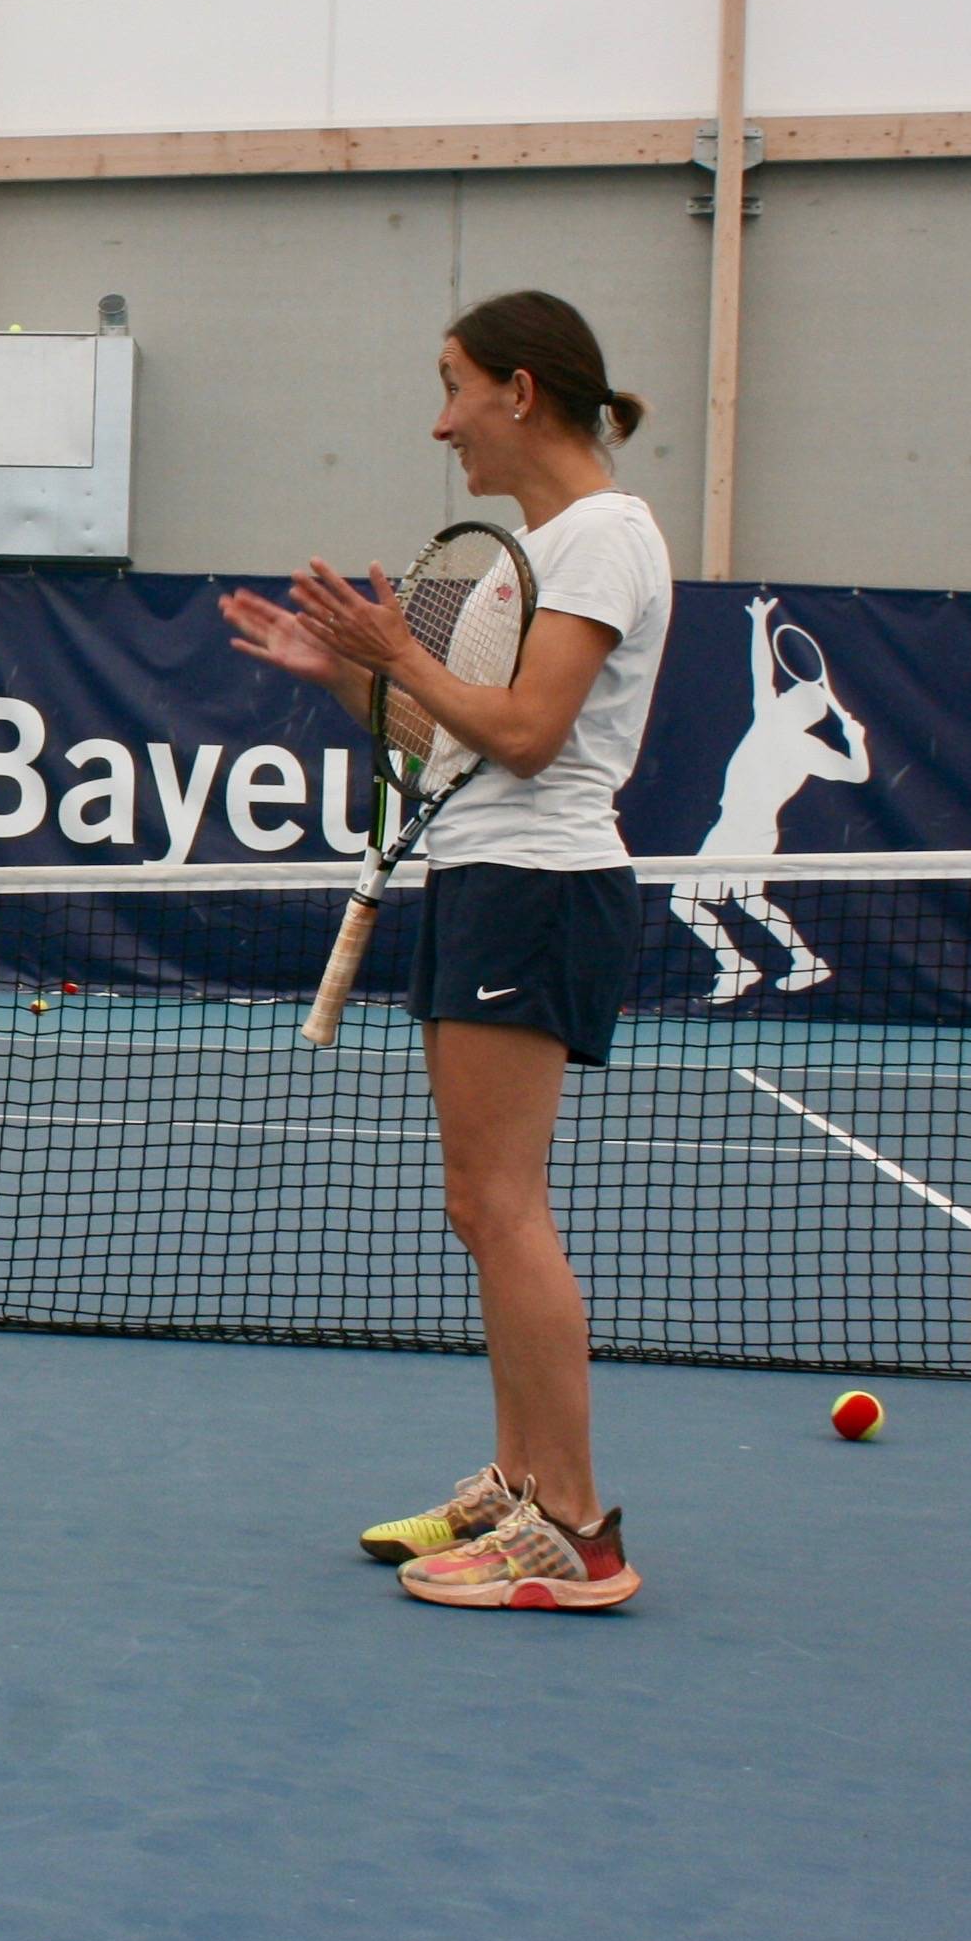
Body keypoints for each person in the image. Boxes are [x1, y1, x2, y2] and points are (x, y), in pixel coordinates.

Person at [220, 290, 671, 1611]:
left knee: (507, 1208)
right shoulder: (547, 544)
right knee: (481, 1205)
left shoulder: (598, 539)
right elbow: (452, 742)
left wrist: (396, 650)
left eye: (453, 385)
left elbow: (530, 735)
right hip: (489, 876)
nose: (440, 420)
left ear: (520, 392)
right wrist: (341, 675)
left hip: (538, 888)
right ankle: (521, 1484)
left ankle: (576, 1532)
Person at [670, 595, 870, 1001]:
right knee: (749, 901)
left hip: (739, 830)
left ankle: (737, 965)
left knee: (684, 901)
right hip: (755, 831)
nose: (780, 694)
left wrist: (761, 626)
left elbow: (762, 672)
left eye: (789, 693)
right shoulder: (806, 745)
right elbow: (857, 772)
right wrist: (856, 741)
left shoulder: (774, 724)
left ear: (795, 708)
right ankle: (802, 960)